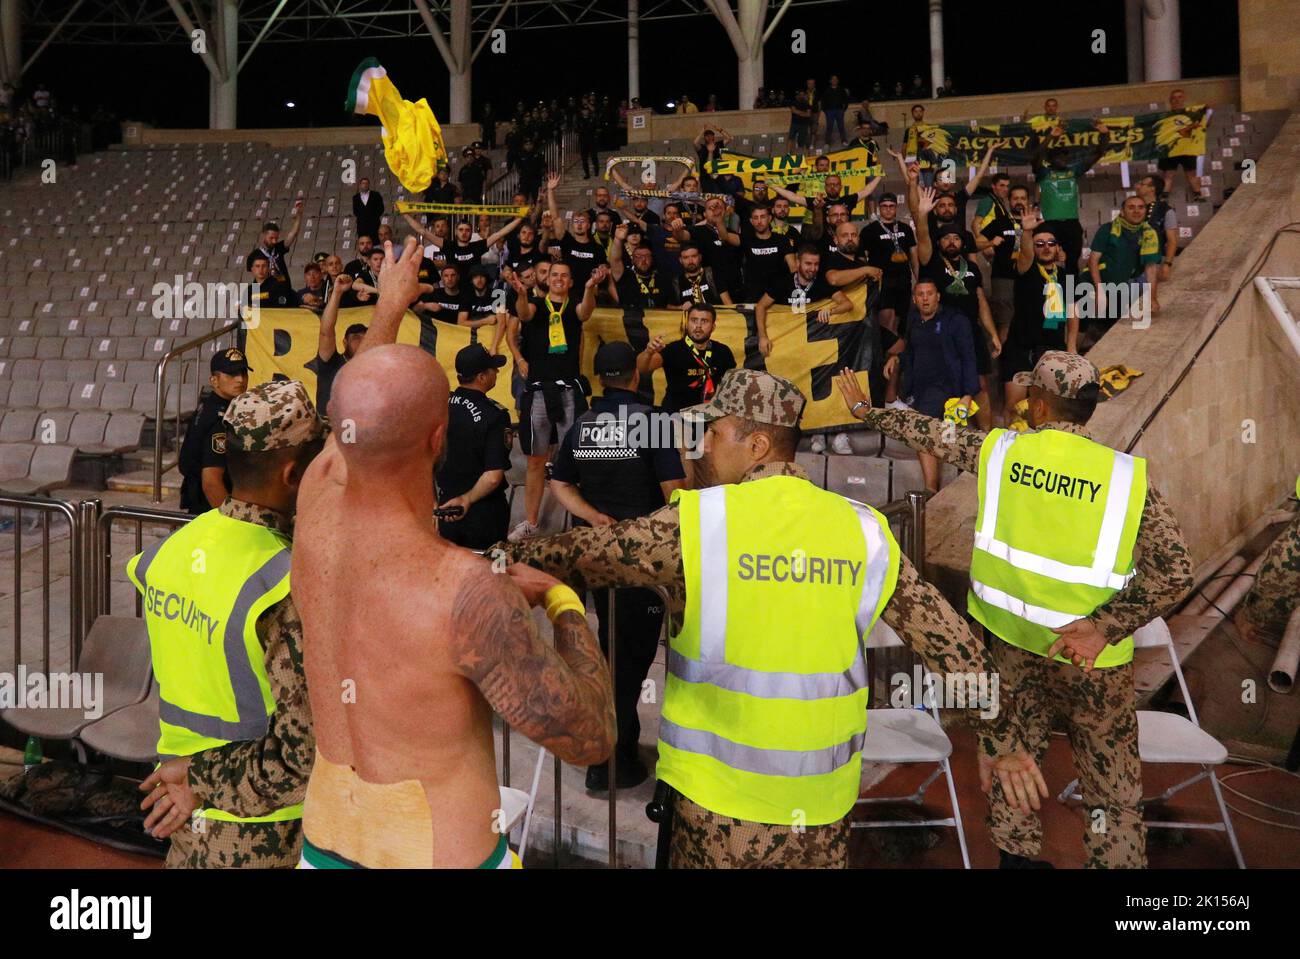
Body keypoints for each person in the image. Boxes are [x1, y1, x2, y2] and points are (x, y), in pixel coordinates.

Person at [499, 368, 1046, 868]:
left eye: (714, 434)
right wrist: (1003, 744)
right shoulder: (862, 530)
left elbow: (581, 553)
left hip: (713, 815)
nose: (703, 447)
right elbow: (955, 647)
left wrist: (497, 564)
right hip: (823, 814)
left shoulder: (697, 524)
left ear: (756, 445)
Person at [293, 236, 616, 869]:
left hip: (324, 848)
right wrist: (563, 601)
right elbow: (589, 737)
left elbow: (348, 424)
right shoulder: (463, 590)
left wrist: (388, 306)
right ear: (438, 437)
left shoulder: (316, 504)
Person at [839, 351, 1196, 867]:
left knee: (1012, 760)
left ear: (1041, 406)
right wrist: (1103, 628)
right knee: (1112, 792)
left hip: (1010, 652)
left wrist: (869, 412)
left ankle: (1019, 862)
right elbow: (1176, 570)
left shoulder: (1000, 451)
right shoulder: (1127, 478)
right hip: (1092, 663)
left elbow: (931, 432)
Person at [132, 379, 327, 868]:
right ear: (292, 473)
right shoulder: (283, 584)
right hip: (262, 835)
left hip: (182, 817)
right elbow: (296, 762)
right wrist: (198, 779)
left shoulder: (171, 549)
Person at [550, 341, 687, 790]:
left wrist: (591, 516)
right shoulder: (655, 423)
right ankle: (609, 761)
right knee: (629, 661)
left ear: (600, 377)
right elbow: (675, 494)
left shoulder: (584, 424)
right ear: (635, 374)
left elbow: (559, 481)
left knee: (610, 652)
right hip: (640, 563)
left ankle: (611, 749)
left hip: (594, 559)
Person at [507, 260, 608, 541]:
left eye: (565, 275)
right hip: (539, 390)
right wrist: (522, 294)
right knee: (536, 460)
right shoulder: (537, 306)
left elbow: (585, 312)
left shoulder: (575, 304)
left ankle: (578, 523)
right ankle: (531, 522)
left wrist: (590, 288)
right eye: (554, 275)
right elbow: (524, 314)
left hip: (568, 391)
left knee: (574, 458)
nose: (559, 279)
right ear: (547, 279)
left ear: (571, 281)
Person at [914, 186, 1000, 429]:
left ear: (962, 242)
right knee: (945, 384)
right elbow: (922, 238)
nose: (951, 241)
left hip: (971, 332)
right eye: (946, 238)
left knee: (980, 384)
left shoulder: (971, 268)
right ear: (939, 242)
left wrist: (992, 333)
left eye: (956, 238)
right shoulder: (930, 262)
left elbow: (981, 301)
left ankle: (987, 436)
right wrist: (921, 215)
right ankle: (948, 435)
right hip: (941, 332)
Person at [882, 278, 979, 490]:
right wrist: (897, 359)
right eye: (920, 295)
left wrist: (968, 394)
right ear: (915, 299)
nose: (925, 298)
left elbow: (969, 357)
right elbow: (911, 351)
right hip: (920, 388)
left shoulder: (956, 320)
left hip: (948, 388)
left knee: (925, 432)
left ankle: (931, 489)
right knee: (932, 437)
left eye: (929, 294)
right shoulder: (914, 319)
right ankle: (934, 489)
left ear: (938, 296)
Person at [1001, 208, 1079, 418]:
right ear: (1033, 249)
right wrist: (1026, 233)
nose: (1046, 248)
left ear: (1058, 248)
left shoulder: (1066, 276)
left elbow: (1072, 312)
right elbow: (1024, 256)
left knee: (1047, 408)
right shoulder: (1026, 269)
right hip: (1020, 348)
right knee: (1014, 406)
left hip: (1052, 349)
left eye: (1050, 243)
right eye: (1040, 244)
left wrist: (1071, 347)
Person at [436, 344, 512, 550]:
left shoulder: (438, 406)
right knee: (488, 575)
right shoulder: (495, 415)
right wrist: (467, 499)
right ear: (482, 377)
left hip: (445, 508)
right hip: (483, 511)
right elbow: (493, 476)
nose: (497, 372)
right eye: (493, 369)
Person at [1031, 120, 1111, 279]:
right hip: (1050, 224)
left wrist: (1105, 135)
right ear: (1051, 159)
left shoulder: (1074, 171)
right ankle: (1048, 293)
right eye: (1059, 156)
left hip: (1072, 223)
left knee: (1072, 263)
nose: (1063, 159)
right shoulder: (1044, 173)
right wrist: (1050, 137)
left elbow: (1098, 153)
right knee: (1046, 261)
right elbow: (1036, 156)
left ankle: (1072, 297)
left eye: (1065, 157)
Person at [177, 349, 248, 515]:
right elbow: (211, 483)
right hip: (209, 509)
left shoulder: (209, 406)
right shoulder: (219, 419)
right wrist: (231, 522)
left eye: (243, 373)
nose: (240, 379)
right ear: (214, 380)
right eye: (231, 374)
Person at [637, 303, 737, 413]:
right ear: (687, 323)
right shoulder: (673, 349)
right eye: (694, 320)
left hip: (710, 415)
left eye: (704, 321)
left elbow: (732, 386)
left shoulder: (723, 351)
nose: (698, 326)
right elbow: (642, 368)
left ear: (713, 327)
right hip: (676, 415)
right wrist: (648, 352)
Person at [1087, 194, 1163, 332]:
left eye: (1141, 207)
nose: (1136, 211)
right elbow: (1093, 261)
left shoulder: (1149, 233)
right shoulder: (1107, 229)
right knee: (1099, 327)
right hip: (1102, 283)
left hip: (1125, 286)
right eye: (1131, 207)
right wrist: (1100, 291)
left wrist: (1152, 297)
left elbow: (1151, 268)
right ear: (1122, 212)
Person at [974, 179, 1029, 344]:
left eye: (1023, 198)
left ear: (1028, 201)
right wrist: (990, 243)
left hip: (1030, 278)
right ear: (1009, 201)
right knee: (1005, 324)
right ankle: (1004, 364)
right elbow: (975, 244)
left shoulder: (1035, 223)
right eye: (1015, 198)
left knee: (1029, 322)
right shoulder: (999, 222)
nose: (1019, 201)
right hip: (1003, 279)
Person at [307, 274, 365, 418]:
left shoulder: (372, 368)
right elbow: (326, 331)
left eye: (366, 337)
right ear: (344, 342)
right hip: (329, 426)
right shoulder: (332, 362)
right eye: (356, 337)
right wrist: (337, 292)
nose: (362, 341)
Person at [1159, 88, 1207, 198]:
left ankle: (1198, 196)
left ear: (1184, 98)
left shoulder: (1192, 115)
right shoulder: (1164, 116)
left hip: (1187, 148)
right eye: (1174, 97)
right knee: (1168, 174)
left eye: (1179, 97)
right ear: (1170, 100)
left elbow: (1204, 124)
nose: (1177, 100)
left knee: (1192, 173)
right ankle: (1164, 198)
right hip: (1170, 148)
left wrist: (1208, 113)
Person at [244, 204, 303, 281]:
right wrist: (256, 292)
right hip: (265, 290)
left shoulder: (279, 248)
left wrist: (299, 215)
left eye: (276, 238)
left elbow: (293, 234)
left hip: (283, 289)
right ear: (263, 236)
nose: (274, 241)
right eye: (271, 238)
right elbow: (255, 278)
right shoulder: (253, 255)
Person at [352, 177, 385, 243]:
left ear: (369, 184)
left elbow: (381, 208)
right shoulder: (355, 197)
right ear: (360, 185)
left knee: (375, 243)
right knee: (364, 244)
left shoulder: (376, 195)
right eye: (363, 183)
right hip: (362, 226)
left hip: (374, 224)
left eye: (366, 183)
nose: (365, 185)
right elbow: (355, 211)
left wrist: (374, 217)